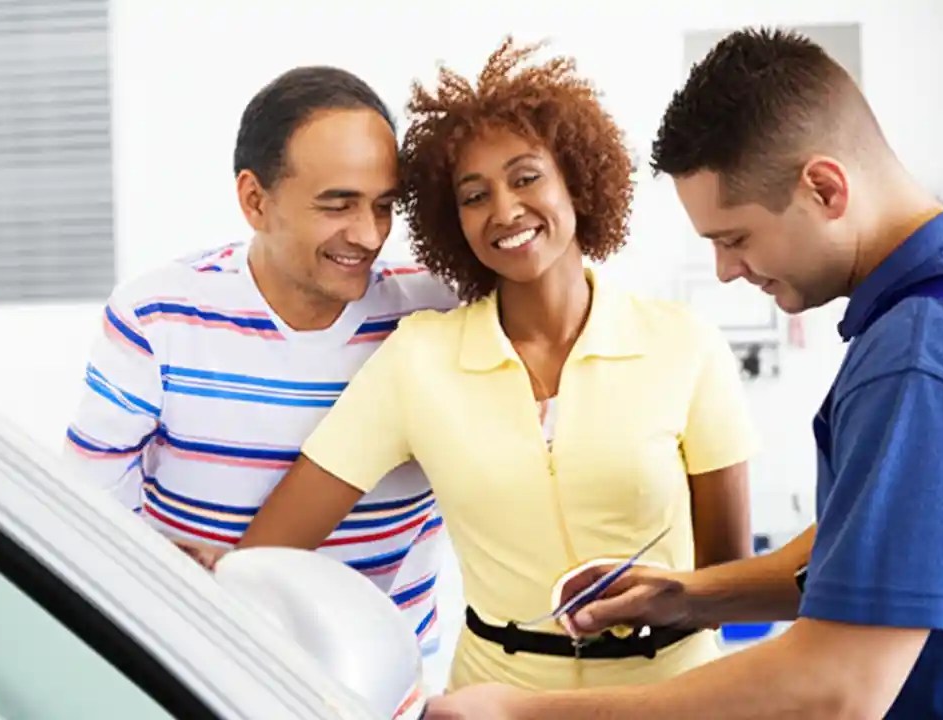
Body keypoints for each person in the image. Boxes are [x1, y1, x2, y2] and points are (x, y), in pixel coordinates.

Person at [423, 27, 943, 720]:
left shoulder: (917, 354)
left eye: (736, 238)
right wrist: (693, 595)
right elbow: (891, 536)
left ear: (824, 187)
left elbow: (835, 688)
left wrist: (526, 712)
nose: (726, 270)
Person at [229, 37, 758, 693]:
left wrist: (667, 596)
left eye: (526, 177)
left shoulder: (684, 345)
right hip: (496, 701)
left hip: (676, 694)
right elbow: (273, 548)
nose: (504, 211)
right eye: (473, 195)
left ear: (576, 177)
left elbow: (734, 582)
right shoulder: (418, 360)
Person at [60, 66, 457, 671]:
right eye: (337, 205)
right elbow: (88, 512)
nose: (369, 233)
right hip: (208, 670)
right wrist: (172, 568)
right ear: (254, 199)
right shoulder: (159, 316)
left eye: (383, 206)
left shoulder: (434, 314)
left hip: (391, 686)